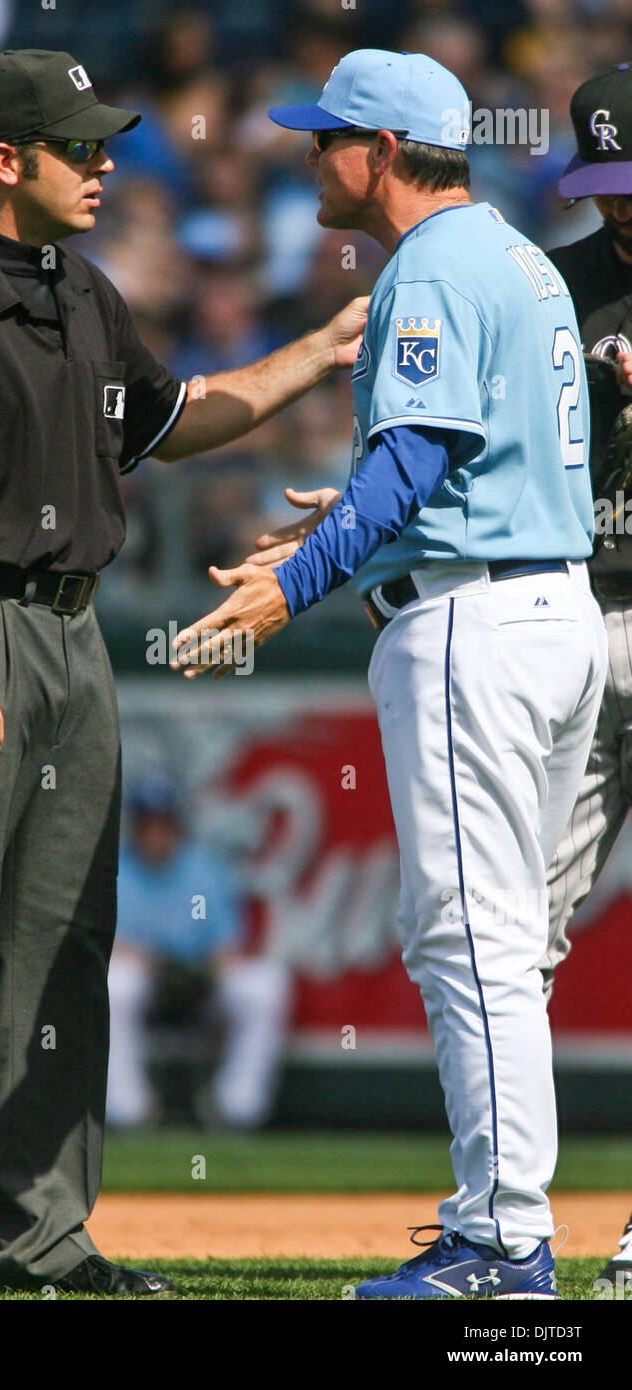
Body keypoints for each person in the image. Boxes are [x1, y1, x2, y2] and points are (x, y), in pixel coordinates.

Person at [0, 48, 367, 1298]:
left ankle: (44, 1236)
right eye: (79, 146)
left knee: (66, 945)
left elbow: (175, 424)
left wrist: (316, 349)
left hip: (71, 631)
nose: (107, 161)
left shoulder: (80, 290)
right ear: (5, 161)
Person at [171, 47, 608, 1299]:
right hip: (550, 608)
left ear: (377, 151)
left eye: (327, 139)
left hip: (474, 628)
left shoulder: (427, 266)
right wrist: (339, 529)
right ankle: (499, 1219)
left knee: (466, 938)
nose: (313, 159)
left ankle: (504, 1244)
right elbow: (480, 465)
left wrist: (292, 584)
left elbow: (418, 459)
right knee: (499, 942)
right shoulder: (520, 252)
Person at [543, 61, 632, 1290]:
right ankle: (502, 1223)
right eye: (606, 184)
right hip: (581, 611)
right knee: (521, 931)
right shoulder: (552, 283)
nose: (622, 206)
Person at [107, 774, 290, 1131]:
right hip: (147, 984)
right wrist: (156, 964)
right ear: (135, 826)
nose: (157, 832)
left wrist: (206, 969)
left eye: (164, 822)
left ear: (178, 824)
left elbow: (229, 947)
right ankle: (127, 1110)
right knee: (115, 984)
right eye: (149, 823)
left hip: (201, 983)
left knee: (266, 985)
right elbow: (107, 945)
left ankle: (237, 1108)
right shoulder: (117, 872)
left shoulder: (203, 870)